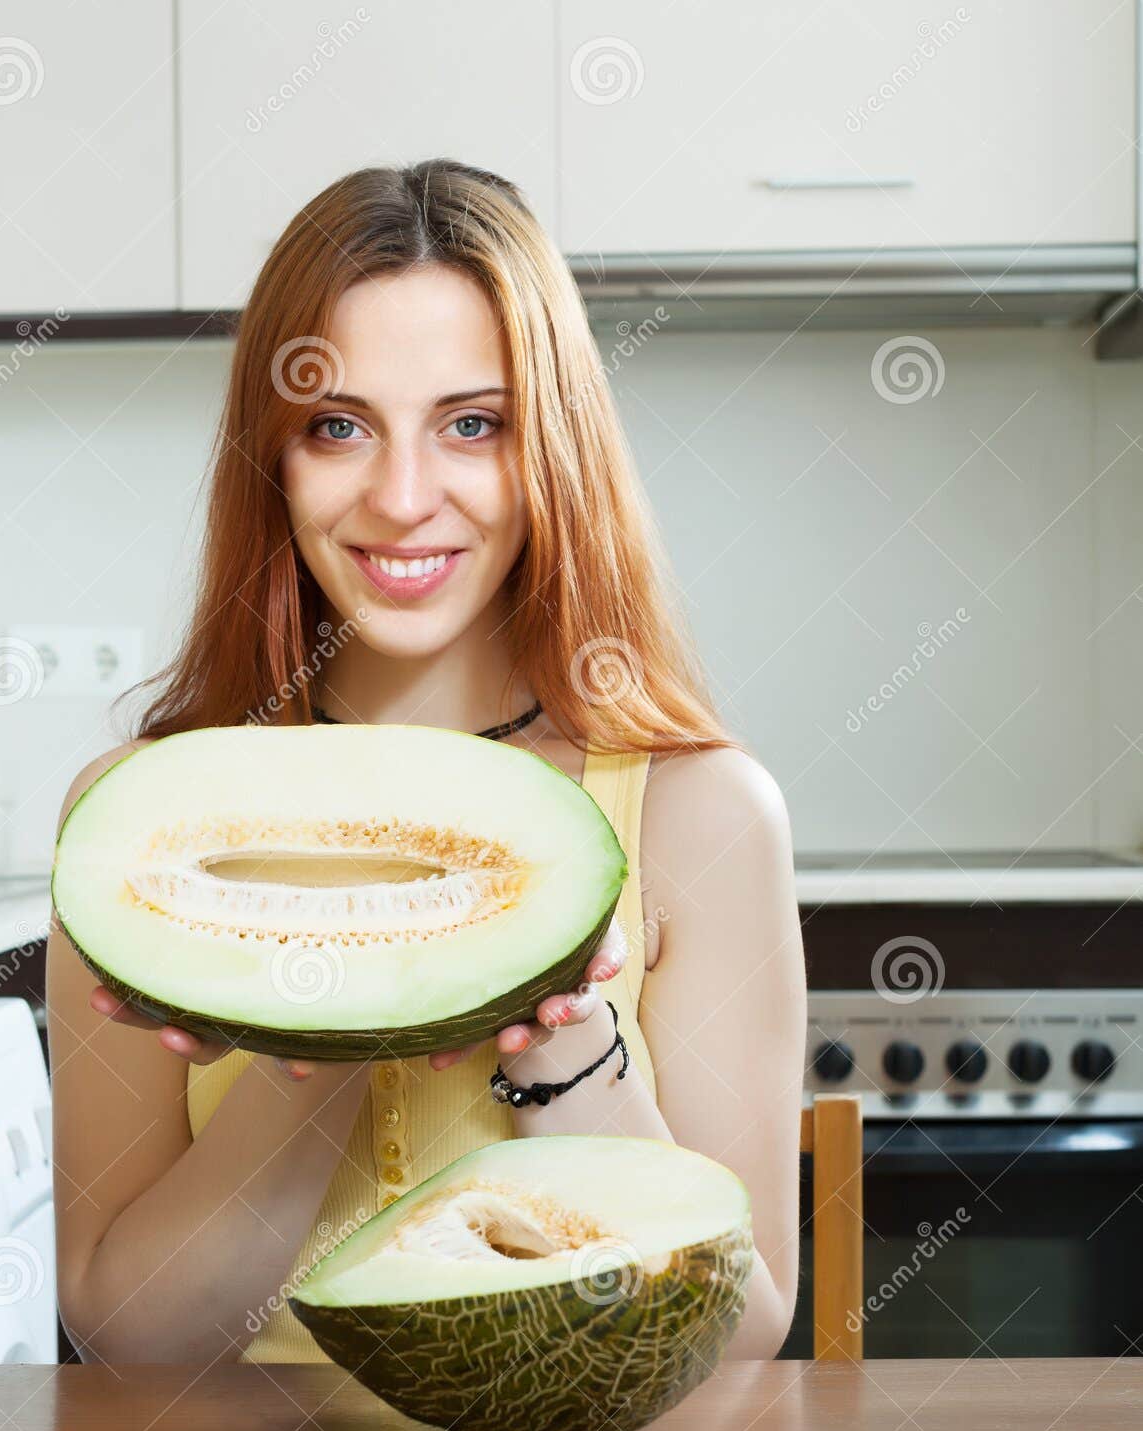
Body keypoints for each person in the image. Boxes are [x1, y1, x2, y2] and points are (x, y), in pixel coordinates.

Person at [47, 158, 806, 1369]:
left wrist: (559, 1030)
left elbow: (740, 1337)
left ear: (548, 447)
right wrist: (315, 1048)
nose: (404, 497)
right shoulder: (136, 823)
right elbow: (128, 1340)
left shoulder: (704, 814)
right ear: (274, 457)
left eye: (473, 424)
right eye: (338, 426)